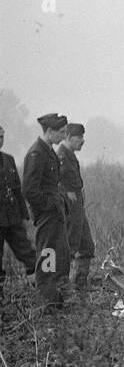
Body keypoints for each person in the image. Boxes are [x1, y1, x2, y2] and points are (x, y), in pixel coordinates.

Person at [22, 112, 70, 311]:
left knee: (58, 255)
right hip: (47, 215)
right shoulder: (36, 153)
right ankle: (47, 300)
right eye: (61, 132)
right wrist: (48, 206)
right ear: (49, 131)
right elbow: (29, 189)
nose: (63, 137)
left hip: (55, 214)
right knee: (48, 256)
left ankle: (55, 297)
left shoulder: (48, 151)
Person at [58, 122, 96, 294]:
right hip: (70, 208)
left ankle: (80, 284)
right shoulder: (60, 156)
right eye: (79, 137)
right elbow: (53, 181)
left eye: (82, 137)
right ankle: (62, 286)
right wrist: (66, 193)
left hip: (77, 207)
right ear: (68, 137)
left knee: (86, 246)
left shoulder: (69, 155)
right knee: (70, 247)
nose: (82, 141)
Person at [0, 122, 38, 285]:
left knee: (27, 251)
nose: (0, 140)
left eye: (2, 137)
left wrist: (24, 214)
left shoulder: (8, 159)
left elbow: (17, 189)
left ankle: (40, 284)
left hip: (13, 216)